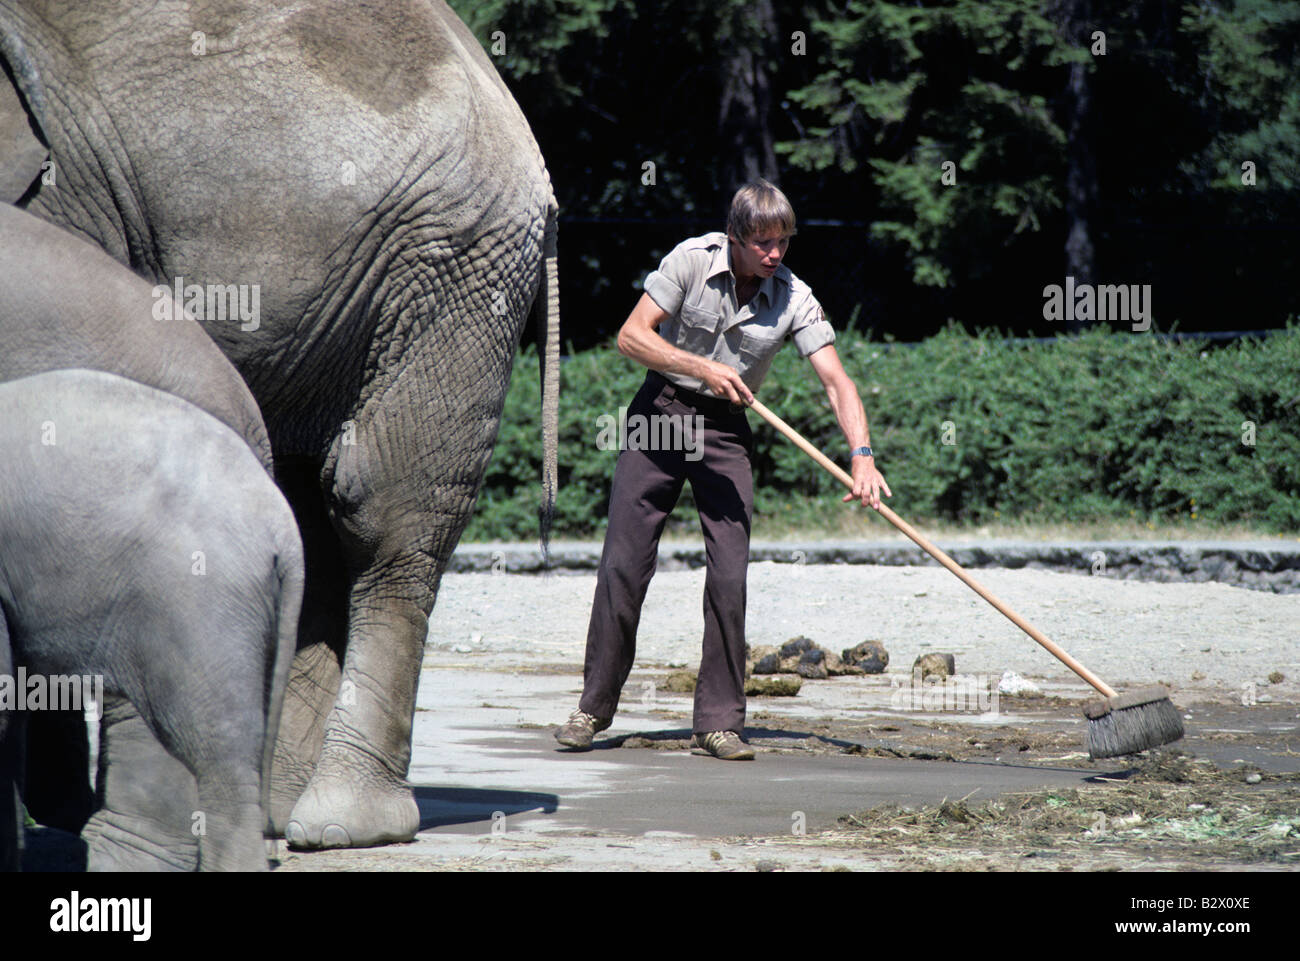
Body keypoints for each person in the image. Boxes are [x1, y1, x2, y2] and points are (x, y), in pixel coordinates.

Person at [555, 179, 891, 759]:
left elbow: (838, 382)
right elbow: (632, 337)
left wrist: (861, 455)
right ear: (734, 237)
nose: (775, 253)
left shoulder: (794, 296)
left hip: (727, 432)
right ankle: (591, 710)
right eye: (763, 243)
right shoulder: (690, 261)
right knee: (623, 566)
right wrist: (700, 368)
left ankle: (718, 724)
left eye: (783, 241)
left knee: (730, 576)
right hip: (659, 415)